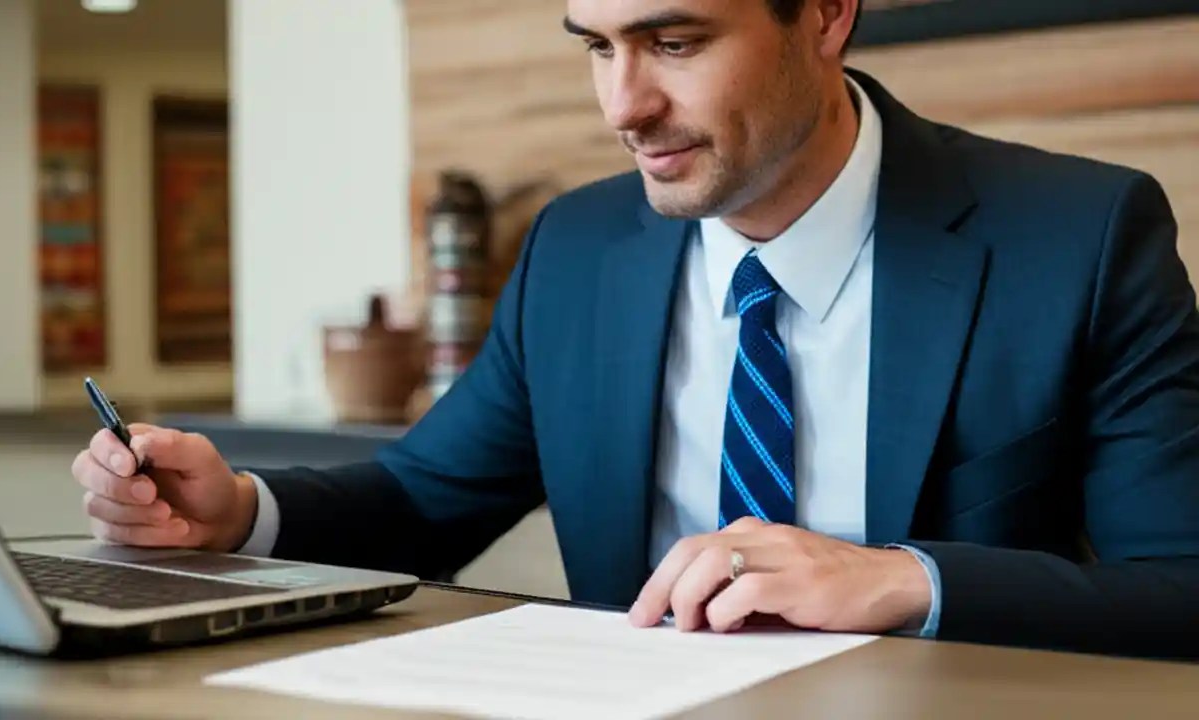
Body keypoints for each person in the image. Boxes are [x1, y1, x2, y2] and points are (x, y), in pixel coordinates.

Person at [72, 0, 1199, 659]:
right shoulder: (577, 248)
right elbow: (425, 496)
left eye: (671, 41)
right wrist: (242, 513)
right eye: (593, 46)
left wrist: (903, 579)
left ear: (822, 14)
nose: (622, 107)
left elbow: (1179, 587)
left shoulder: (1078, 235)